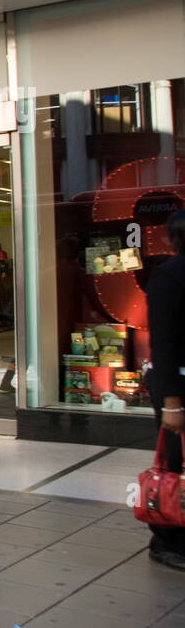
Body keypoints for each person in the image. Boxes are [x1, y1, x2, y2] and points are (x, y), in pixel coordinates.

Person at [145, 209, 185, 571]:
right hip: (177, 386)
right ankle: (166, 538)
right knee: (174, 462)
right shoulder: (168, 278)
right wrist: (172, 401)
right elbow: (164, 343)